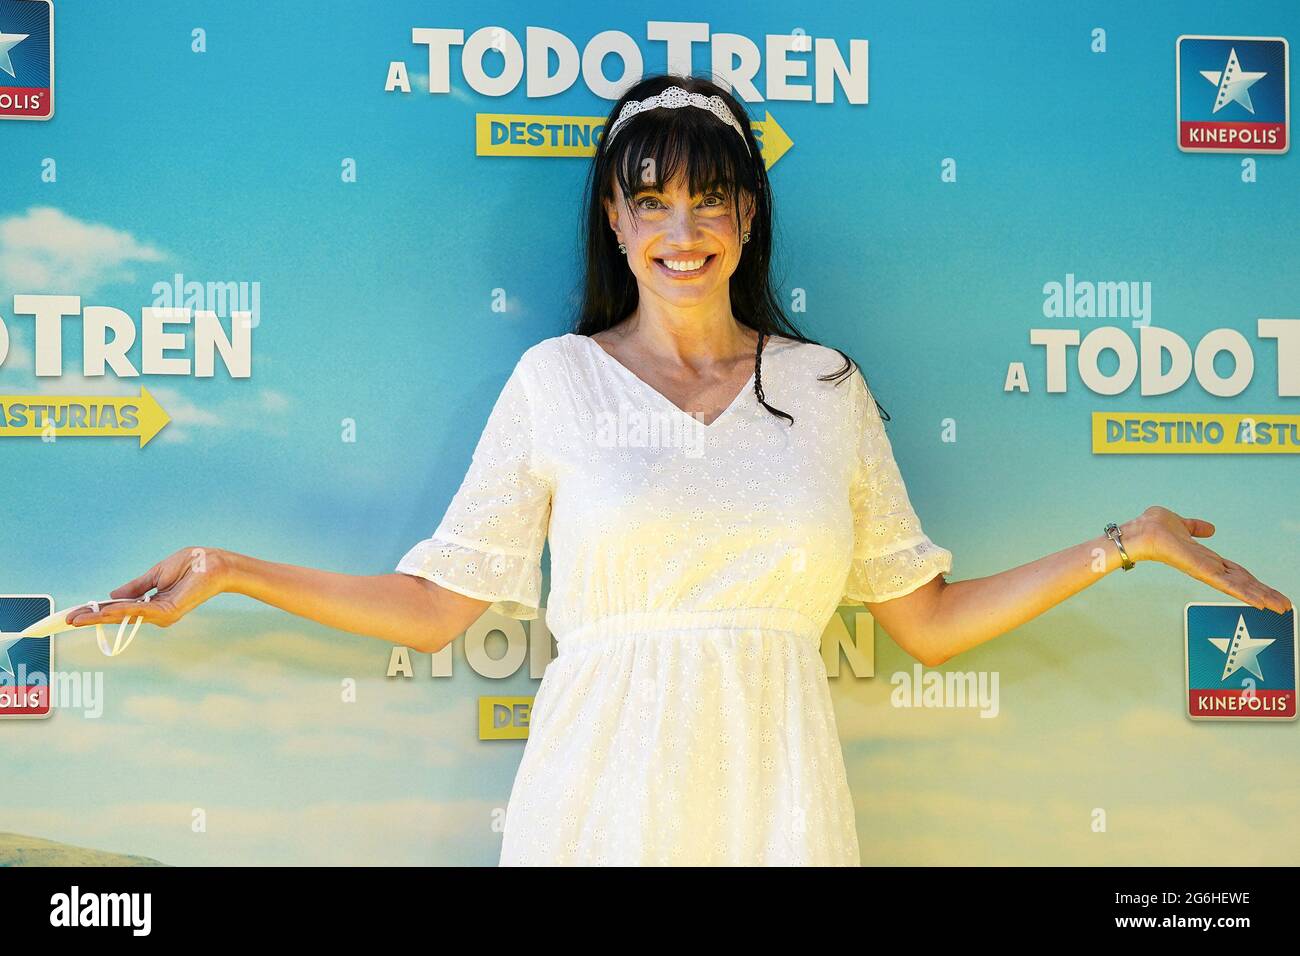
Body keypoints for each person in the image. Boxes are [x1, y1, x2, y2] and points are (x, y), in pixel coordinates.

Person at [68, 74, 1293, 866]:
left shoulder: (825, 389)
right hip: (594, 803)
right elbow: (439, 602)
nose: (680, 227)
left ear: (749, 218)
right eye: (648, 199)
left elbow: (922, 618)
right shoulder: (556, 380)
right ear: (611, 217)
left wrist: (1123, 542)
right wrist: (225, 569)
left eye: (711, 199)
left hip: (781, 804)